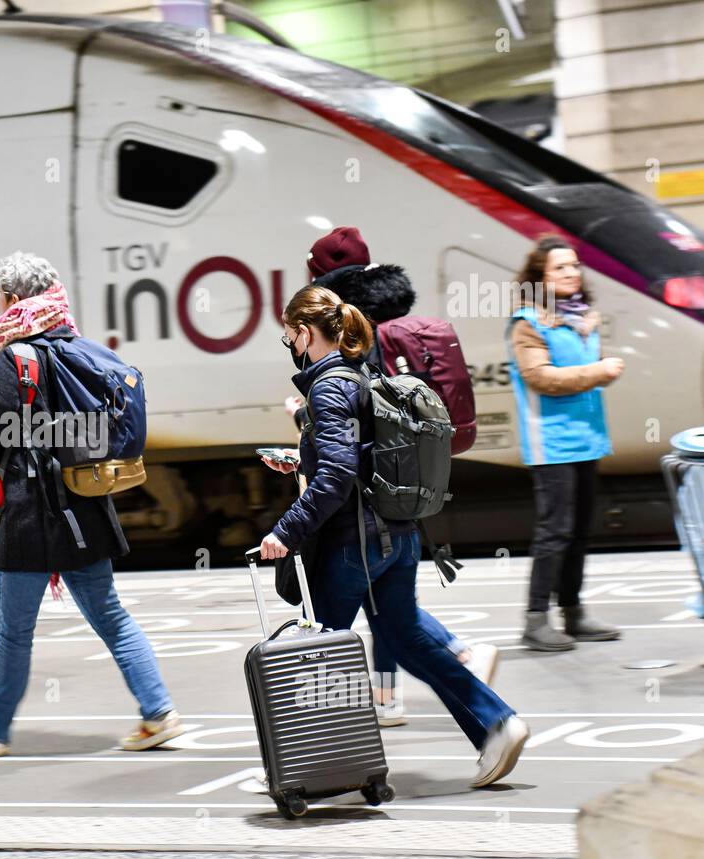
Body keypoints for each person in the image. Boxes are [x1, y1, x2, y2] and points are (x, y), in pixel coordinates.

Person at [261, 284, 529, 788]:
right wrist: (302, 459)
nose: (290, 346)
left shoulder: (326, 386)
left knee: (324, 656)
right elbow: (363, 458)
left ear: (302, 333)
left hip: (349, 549)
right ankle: (497, 723)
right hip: (398, 537)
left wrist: (287, 529)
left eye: (288, 337)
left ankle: (318, 771)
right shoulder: (368, 372)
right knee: (405, 638)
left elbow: (338, 475)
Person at [0, 251, 180, 756]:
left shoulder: (16, 355)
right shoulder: (72, 345)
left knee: (13, 630)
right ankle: (159, 713)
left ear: (9, 299)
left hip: (32, 514)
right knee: (111, 615)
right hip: (84, 502)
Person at [286, 227, 497, 725]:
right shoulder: (392, 319)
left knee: (327, 643)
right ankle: (488, 718)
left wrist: (287, 527)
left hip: (359, 519)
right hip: (403, 498)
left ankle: (321, 754)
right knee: (396, 625)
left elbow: (348, 447)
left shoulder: (342, 359)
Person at [507, 235, 624, 651]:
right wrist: (598, 371)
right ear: (539, 278)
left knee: (578, 530)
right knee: (554, 531)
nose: (572, 273)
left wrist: (595, 371)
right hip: (551, 443)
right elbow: (540, 377)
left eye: (574, 265)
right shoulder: (528, 323)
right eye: (560, 267)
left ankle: (573, 613)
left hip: (587, 439)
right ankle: (536, 619)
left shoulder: (582, 319)